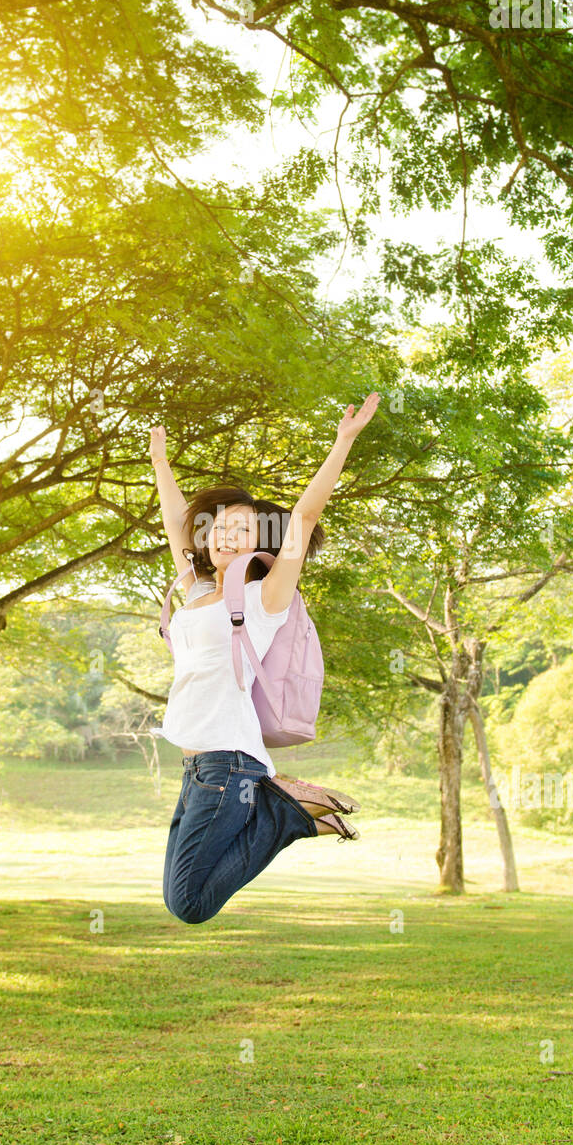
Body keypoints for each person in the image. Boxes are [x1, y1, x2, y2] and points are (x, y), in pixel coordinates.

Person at [151, 393, 380, 924]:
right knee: (176, 895)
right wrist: (162, 464)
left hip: (230, 763)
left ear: (261, 544)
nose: (229, 534)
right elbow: (173, 522)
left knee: (189, 905)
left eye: (245, 529)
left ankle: (287, 815)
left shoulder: (262, 600)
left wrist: (342, 442)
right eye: (220, 526)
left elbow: (304, 516)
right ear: (204, 537)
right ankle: (286, 814)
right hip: (196, 767)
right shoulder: (196, 591)